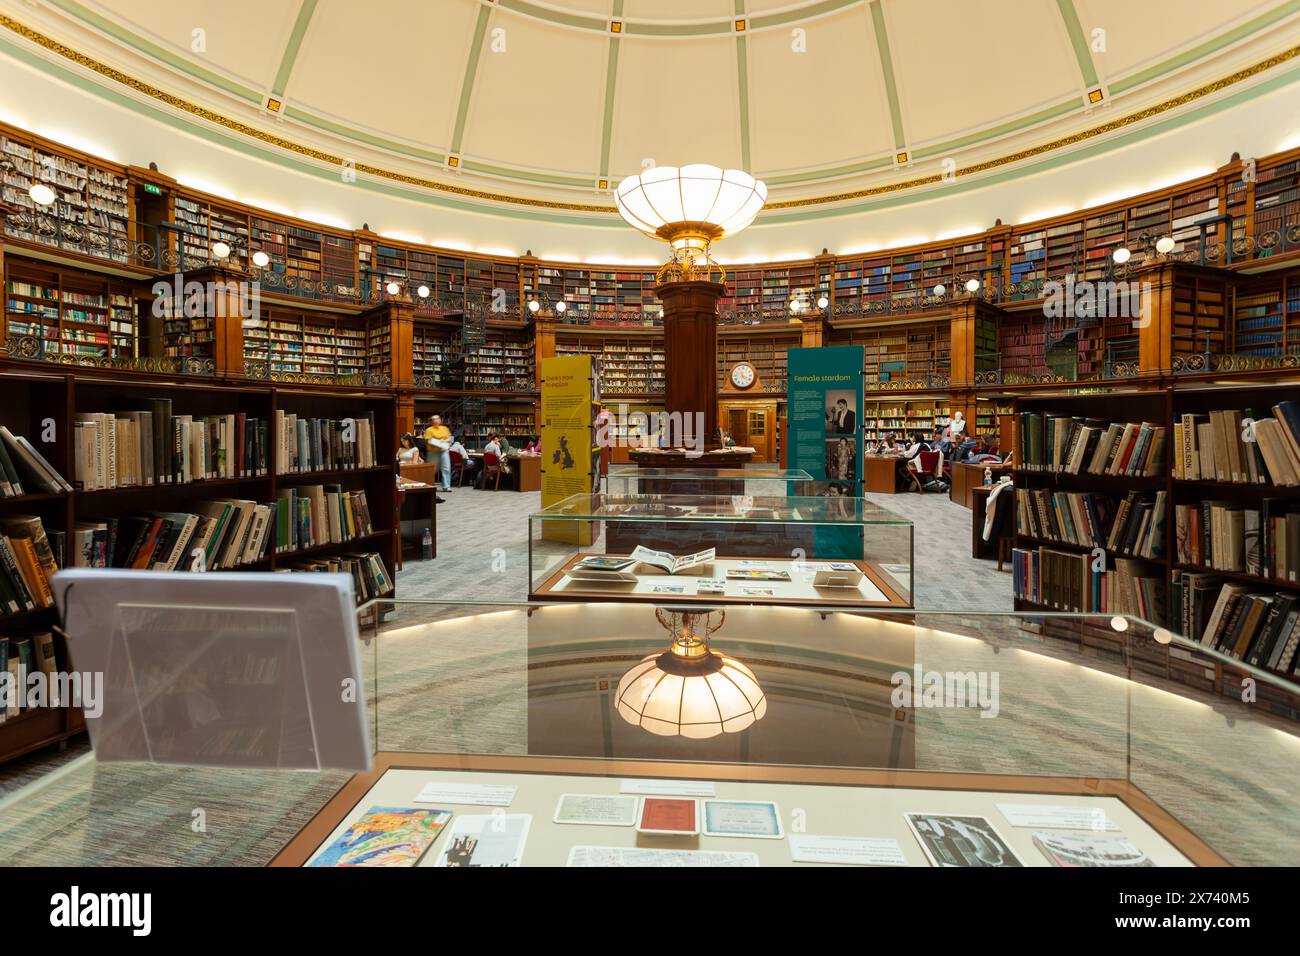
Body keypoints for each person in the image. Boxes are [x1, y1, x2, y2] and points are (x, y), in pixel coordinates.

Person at [423, 415, 453, 492]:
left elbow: (449, 438)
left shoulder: (445, 428)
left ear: (440, 420)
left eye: (437, 419)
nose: (436, 420)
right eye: (434, 419)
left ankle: (446, 486)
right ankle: (428, 484)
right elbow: (428, 441)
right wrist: (439, 442)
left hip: (444, 450)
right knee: (433, 469)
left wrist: (445, 441)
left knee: (446, 468)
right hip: (433, 452)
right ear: (432, 421)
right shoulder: (429, 430)